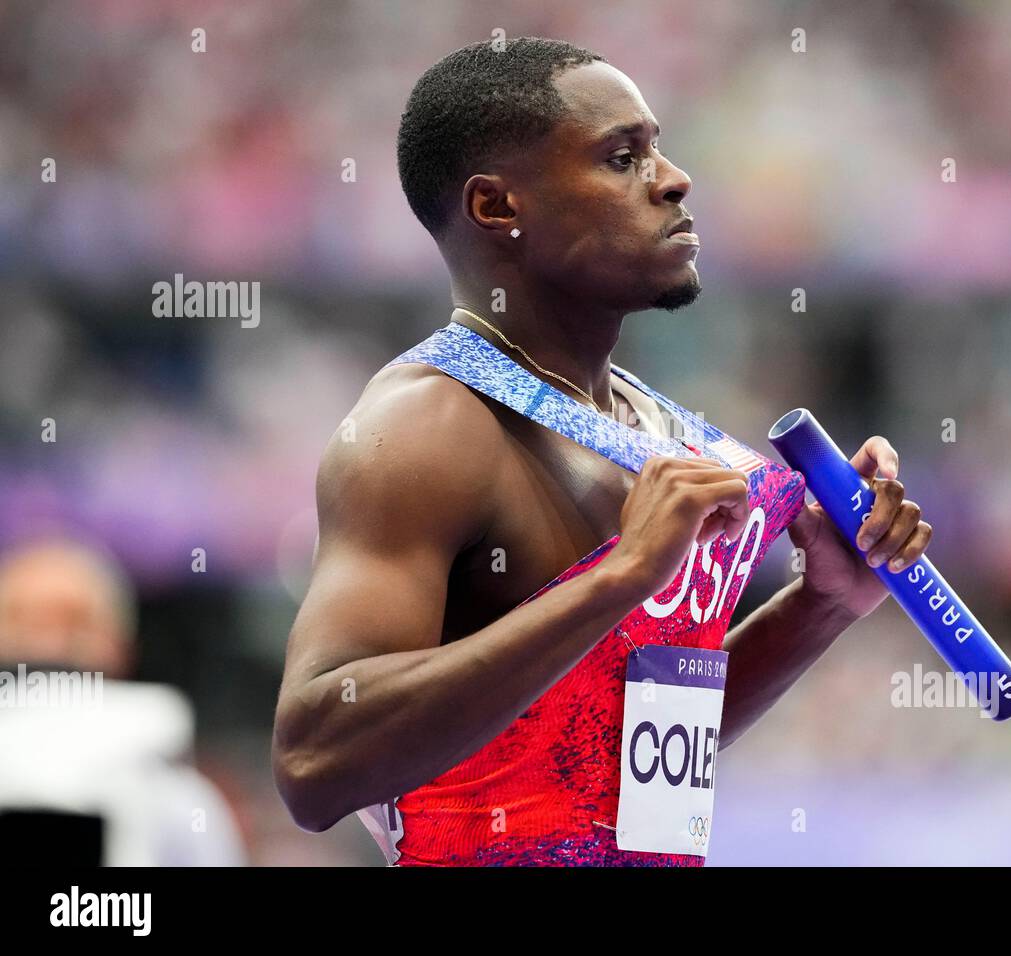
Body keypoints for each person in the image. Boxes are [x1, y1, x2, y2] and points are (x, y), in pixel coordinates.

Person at [272, 37, 932, 866]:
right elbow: (311, 762)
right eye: (623, 157)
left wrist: (824, 602)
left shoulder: (662, 429)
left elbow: (608, 762)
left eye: (656, 147)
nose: (673, 178)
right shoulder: (424, 428)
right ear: (496, 209)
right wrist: (621, 578)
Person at [0, 537, 245, 865]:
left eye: (74, 623)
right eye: (22, 621)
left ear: (120, 647)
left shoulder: (180, 801)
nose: (48, 645)